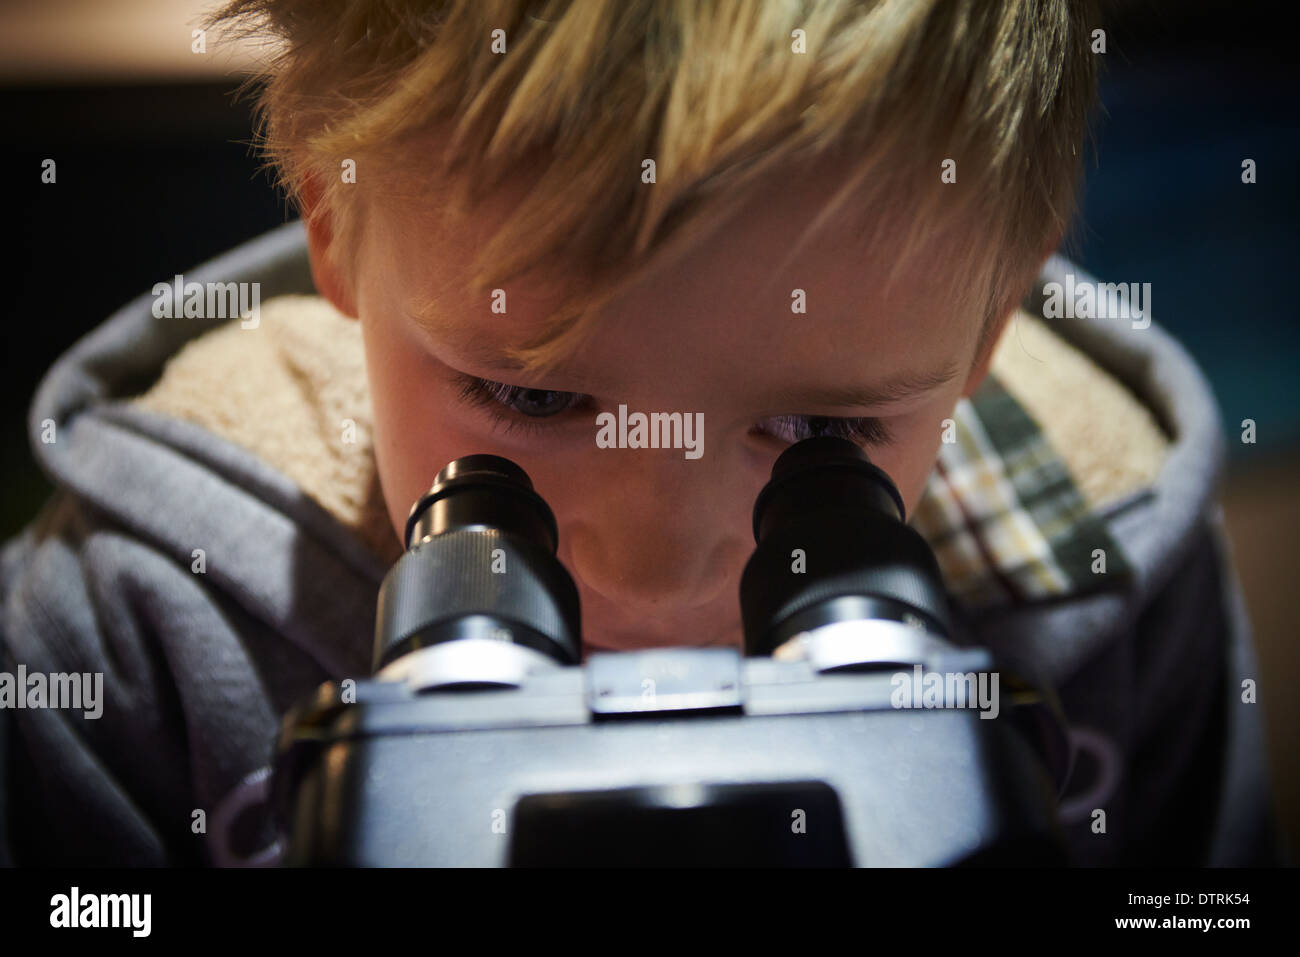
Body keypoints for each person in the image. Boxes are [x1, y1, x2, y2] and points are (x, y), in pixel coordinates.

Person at [0, 0, 1281, 866]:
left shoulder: (1106, 575)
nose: (660, 568)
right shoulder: (128, 634)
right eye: (533, 398)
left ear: (993, 322)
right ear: (333, 225)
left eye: (821, 431)